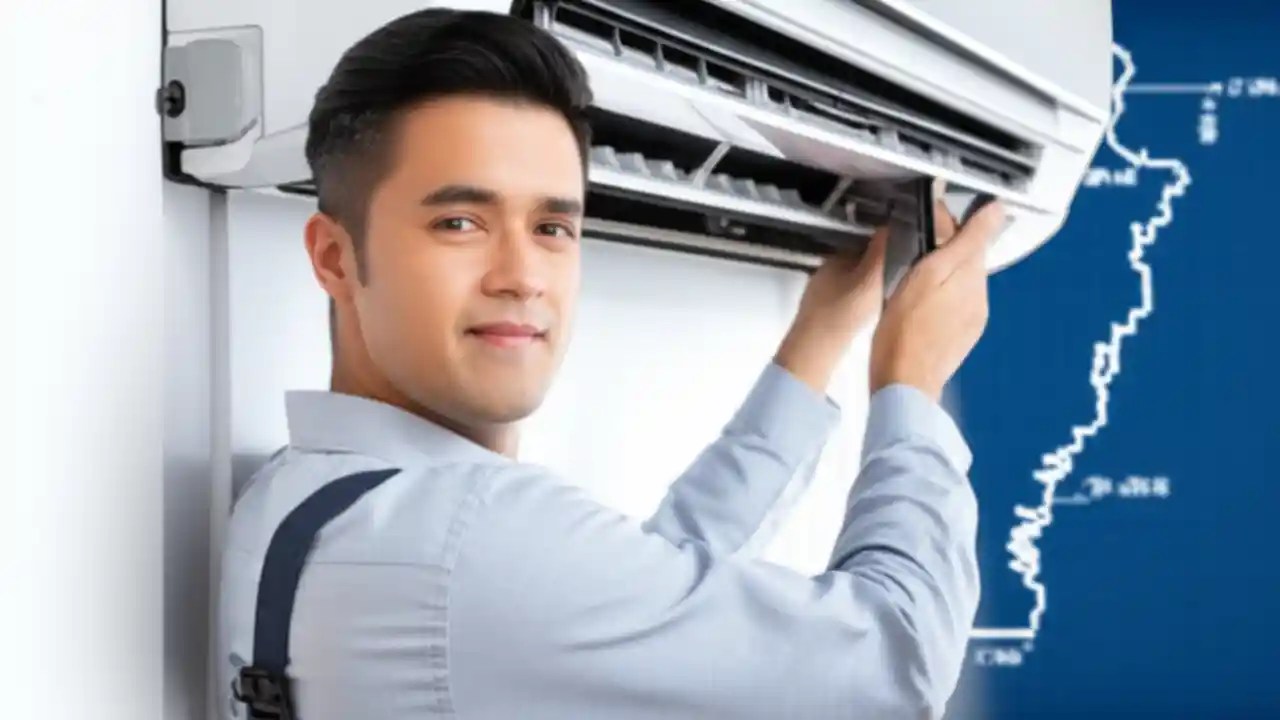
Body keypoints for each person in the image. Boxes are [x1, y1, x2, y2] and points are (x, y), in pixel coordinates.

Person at [216, 7, 1005, 720]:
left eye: (553, 228)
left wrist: (818, 342)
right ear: (334, 256)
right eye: (460, 222)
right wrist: (912, 384)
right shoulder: (475, 541)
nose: (522, 275)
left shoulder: (295, 492)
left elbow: (637, 594)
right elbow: (893, 664)